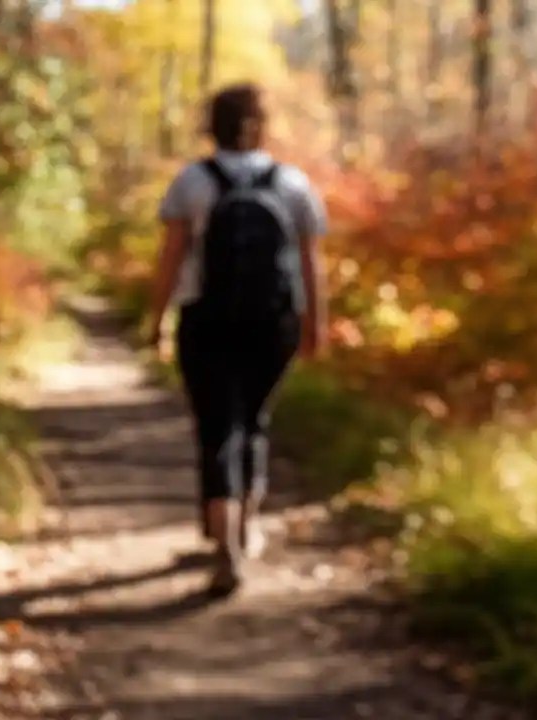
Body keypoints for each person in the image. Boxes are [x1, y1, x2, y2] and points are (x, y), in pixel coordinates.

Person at [147, 83, 329, 597]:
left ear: (213, 125)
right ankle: (245, 527)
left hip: (207, 320)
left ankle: (223, 540)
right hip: (275, 324)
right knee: (254, 422)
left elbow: (172, 258)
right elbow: (311, 263)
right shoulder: (293, 184)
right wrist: (316, 323)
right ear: (262, 125)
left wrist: (157, 319)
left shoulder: (192, 182)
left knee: (216, 428)